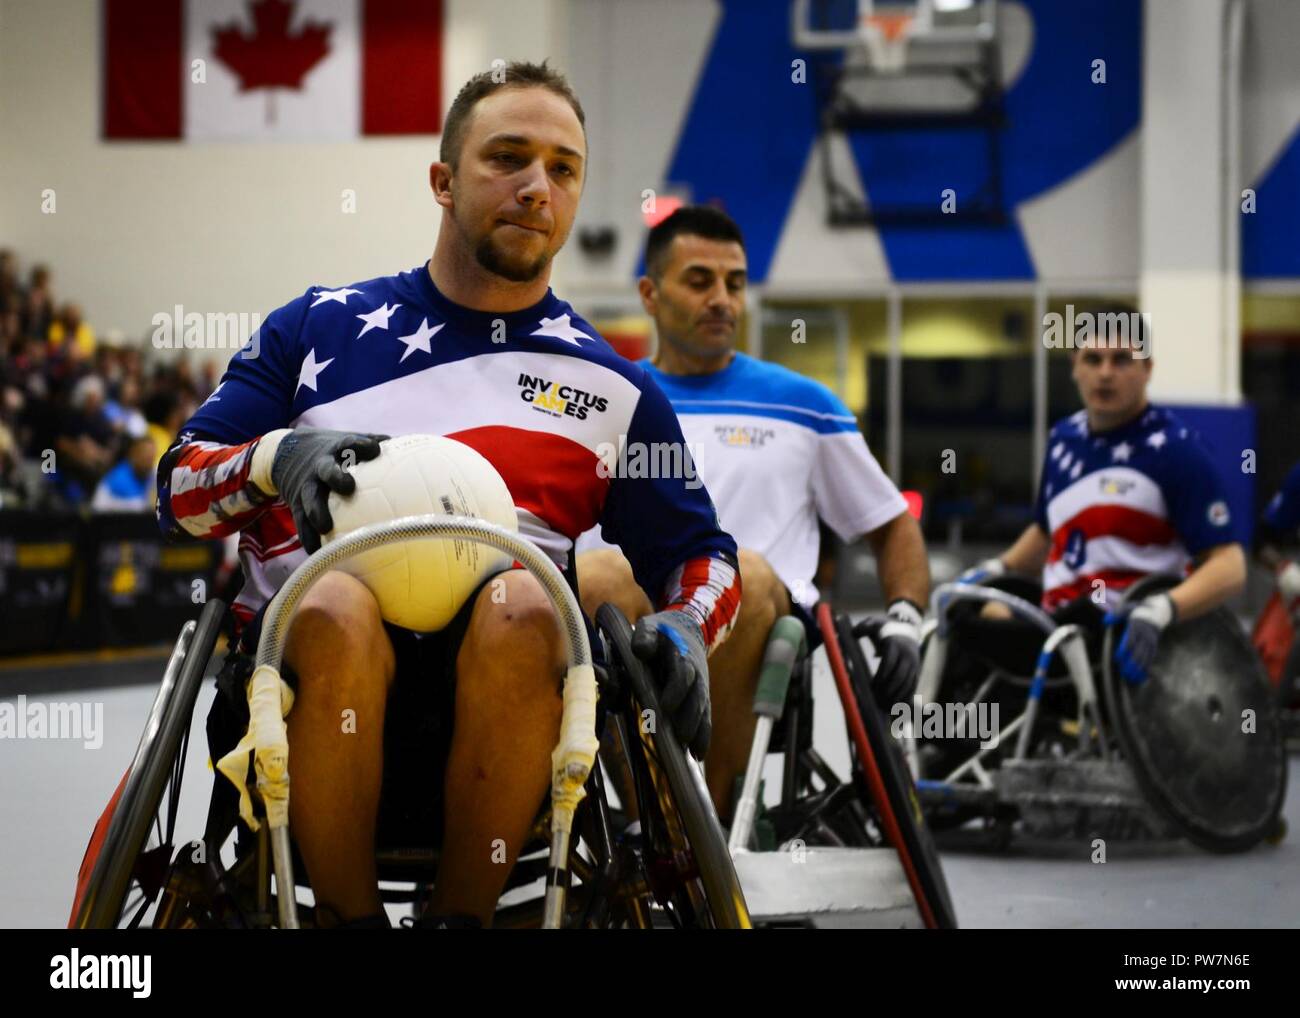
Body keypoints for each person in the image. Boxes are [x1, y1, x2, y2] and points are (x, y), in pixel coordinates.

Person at [155, 62, 740, 928]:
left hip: (515, 691)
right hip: (305, 686)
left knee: (523, 604)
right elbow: (179, 489)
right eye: (508, 158)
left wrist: (689, 625)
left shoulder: (615, 389)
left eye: (563, 168)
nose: (537, 188)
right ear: (442, 179)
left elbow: (703, 558)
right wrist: (274, 461)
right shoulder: (316, 327)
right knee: (339, 602)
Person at [575, 206, 929, 819]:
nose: (722, 299)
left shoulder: (805, 404)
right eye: (699, 280)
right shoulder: (609, 399)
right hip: (632, 614)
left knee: (746, 568)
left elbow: (891, 522)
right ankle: (650, 826)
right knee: (595, 575)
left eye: (735, 284)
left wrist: (905, 616)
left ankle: (711, 823)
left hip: (760, 621)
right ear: (649, 294)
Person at [960, 318, 1247, 685]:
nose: (1105, 374)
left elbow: (1230, 566)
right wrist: (994, 569)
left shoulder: (1179, 451)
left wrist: (1162, 610)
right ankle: (928, 737)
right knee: (970, 614)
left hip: (1115, 627)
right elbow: (1047, 533)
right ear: (1075, 367)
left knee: (1035, 630)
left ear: (1148, 369)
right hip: (1057, 619)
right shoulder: (1063, 439)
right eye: (1093, 359)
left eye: (1122, 360)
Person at [92, 433, 156, 511]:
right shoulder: (115, 478)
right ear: (134, 454)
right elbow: (97, 507)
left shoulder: (153, 475)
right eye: (146, 458)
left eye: (151, 458)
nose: (149, 464)